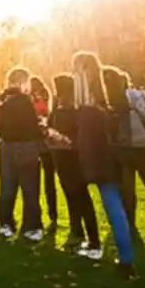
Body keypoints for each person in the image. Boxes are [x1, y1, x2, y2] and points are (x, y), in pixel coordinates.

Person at [72, 52, 135, 279]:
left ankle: (127, 259)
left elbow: (87, 140)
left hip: (100, 159)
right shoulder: (111, 95)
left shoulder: (89, 107)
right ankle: (126, 256)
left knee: (113, 206)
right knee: (116, 205)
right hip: (115, 156)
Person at [105, 66, 145, 239]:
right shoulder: (140, 94)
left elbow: (113, 124)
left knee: (127, 187)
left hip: (126, 146)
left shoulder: (116, 98)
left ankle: (129, 223)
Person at [48, 73, 101, 254]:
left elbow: (76, 135)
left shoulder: (74, 110)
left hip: (72, 157)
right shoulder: (59, 106)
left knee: (81, 196)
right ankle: (77, 230)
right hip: (61, 156)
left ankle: (93, 239)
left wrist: (62, 138)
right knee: (71, 195)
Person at [0, 66, 44, 241]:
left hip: (6, 146)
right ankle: (31, 226)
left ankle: (6, 223)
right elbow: (32, 125)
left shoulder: (1, 100)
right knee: (30, 188)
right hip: (25, 147)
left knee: (7, 187)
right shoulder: (24, 101)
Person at [28, 75, 58, 228]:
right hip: (43, 143)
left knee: (45, 180)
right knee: (47, 180)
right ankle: (50, 214)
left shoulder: (38, 100)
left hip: (41, 142)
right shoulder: (46, 98)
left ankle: (50, 214)